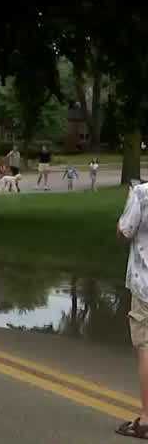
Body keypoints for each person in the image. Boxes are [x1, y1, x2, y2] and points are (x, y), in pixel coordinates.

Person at [116, 182, 148, 439]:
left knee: (146, 347)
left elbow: (124, 233)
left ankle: (146, 419)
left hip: (145, 285)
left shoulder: (142, 194)